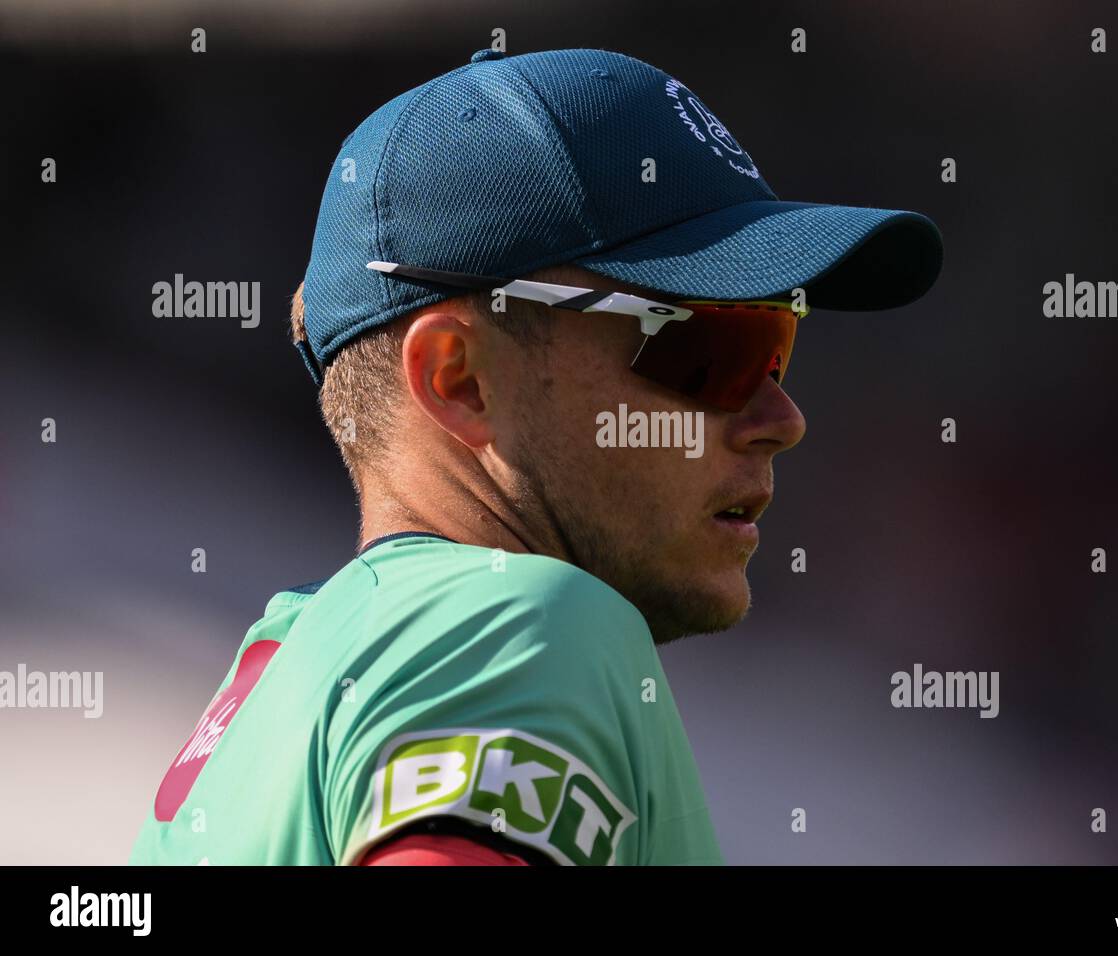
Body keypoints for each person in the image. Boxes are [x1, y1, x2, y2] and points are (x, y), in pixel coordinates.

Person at [129, 46, 942, 866]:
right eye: (710, 345)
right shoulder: (515, 628)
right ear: (462, 379)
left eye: (777, 341)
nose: (782, 418)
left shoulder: (289, 667)